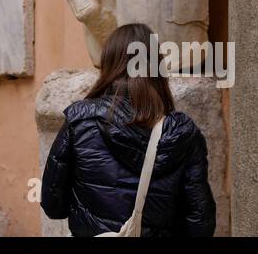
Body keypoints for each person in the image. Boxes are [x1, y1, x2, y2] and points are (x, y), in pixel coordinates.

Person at [41, 23, 216, 236]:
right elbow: (201, 222)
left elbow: (52, 205)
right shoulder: (183, 133)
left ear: (108, 65)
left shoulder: (79, 121)